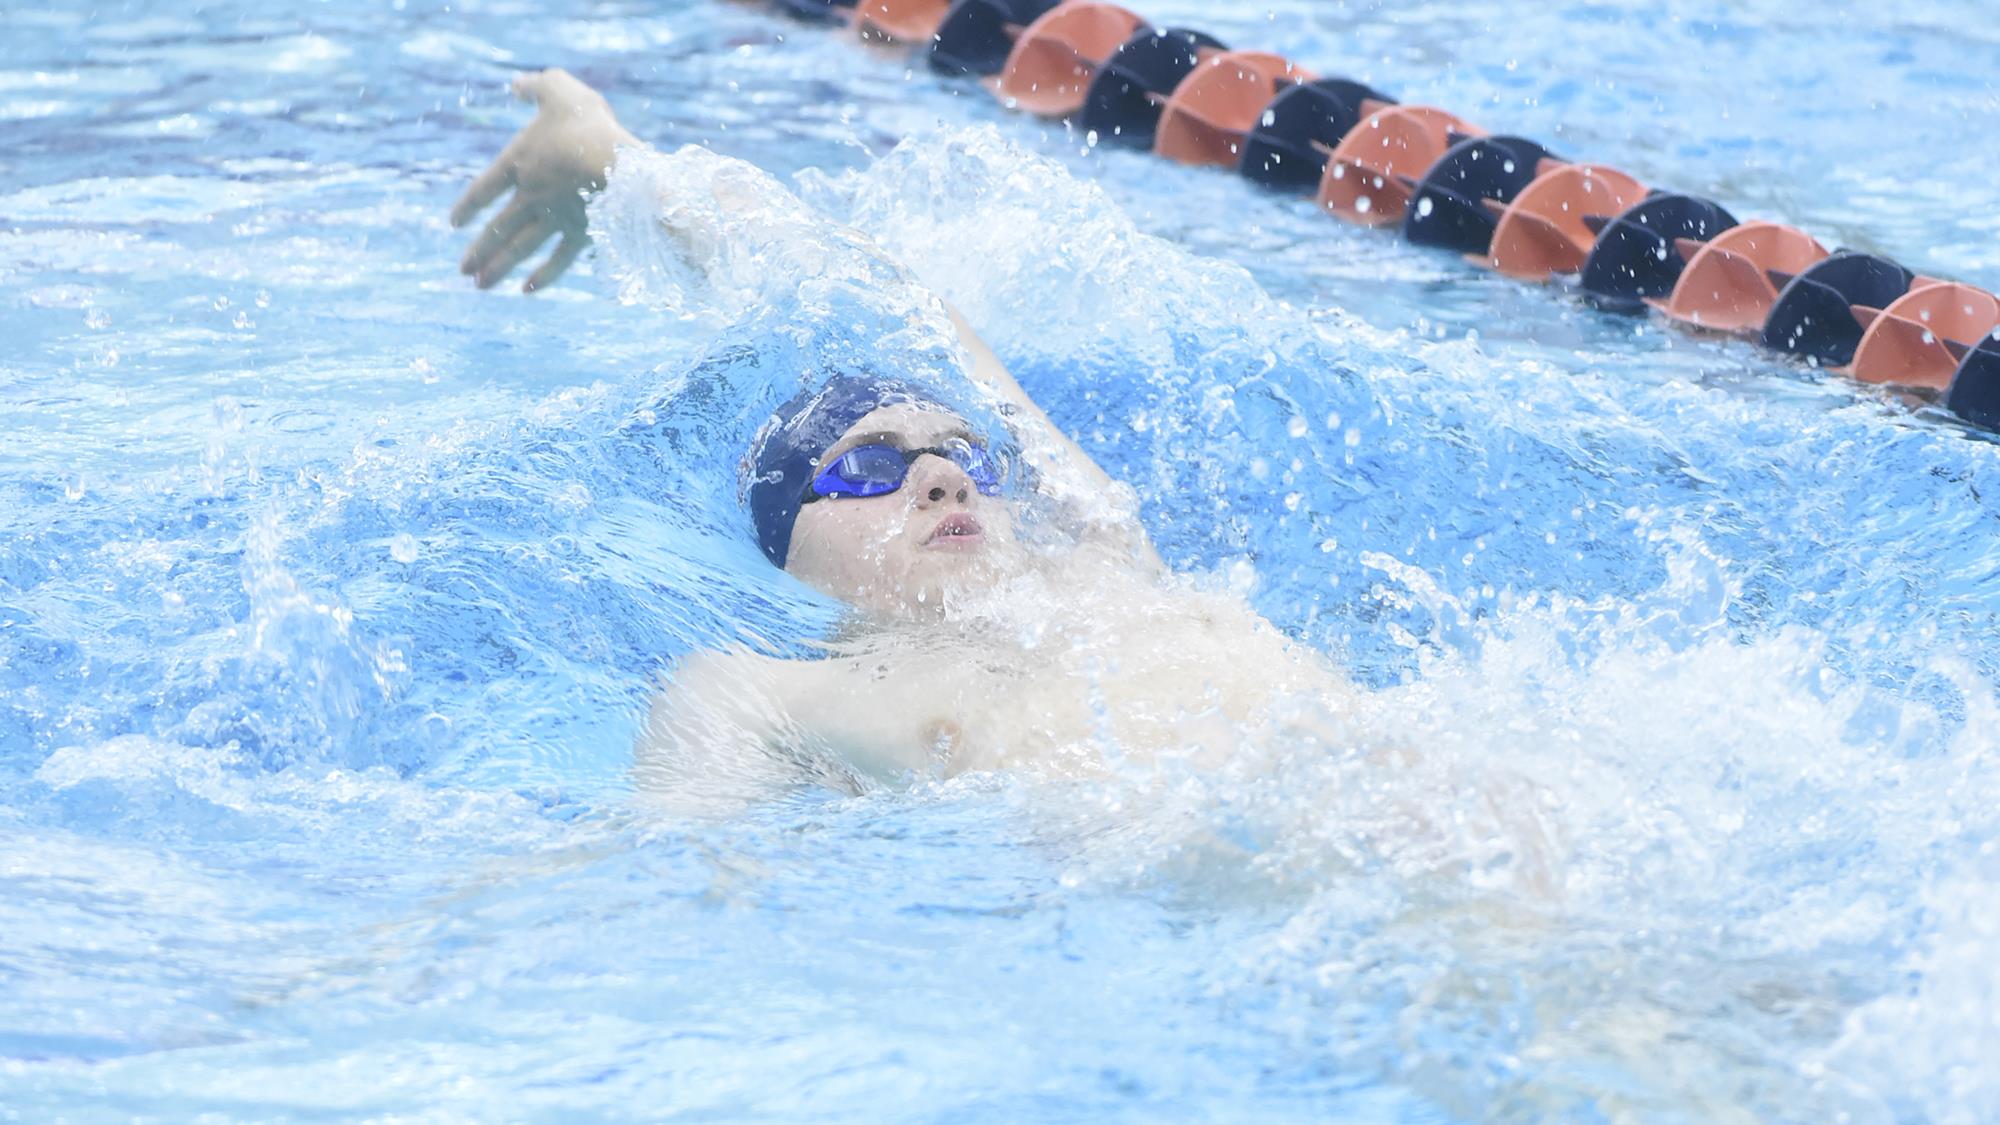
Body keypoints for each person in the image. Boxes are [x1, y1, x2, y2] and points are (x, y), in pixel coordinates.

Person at [453, 69, 1368, 807]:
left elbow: (914, 309)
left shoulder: (1106, 557)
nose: (942, 479)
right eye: (867, 467)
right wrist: (615, 159)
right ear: (786, 548)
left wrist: (624, 163)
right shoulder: (761, 691)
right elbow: (681, 889)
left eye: (965, 456)